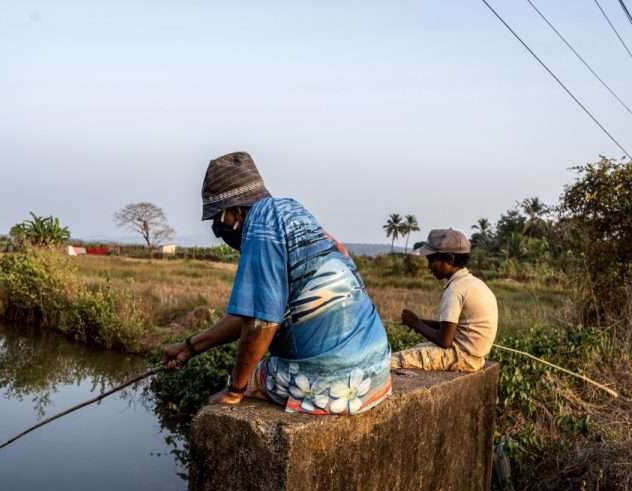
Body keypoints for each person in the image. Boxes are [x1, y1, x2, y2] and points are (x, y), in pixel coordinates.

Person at [161, 151, 392, 415]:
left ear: (234, 212)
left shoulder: (260, 225)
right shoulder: (291, 211)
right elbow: (256, 312)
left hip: (336, 384)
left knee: (250, 376)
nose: (218, 232)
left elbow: (261, 323)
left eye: (217, 222)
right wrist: (189, 348)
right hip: (375, 373)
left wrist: (235, 390)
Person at [392, 229, 498, 372]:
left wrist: (416, 323)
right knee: (416, 349)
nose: (429, 267)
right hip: (475, 357)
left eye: (431, 261)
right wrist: (419, 321)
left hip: (461, 357)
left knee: (393, 361)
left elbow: (444, 341)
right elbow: (450, 328)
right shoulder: (473, 283)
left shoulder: (455, 290)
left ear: (450, 259)